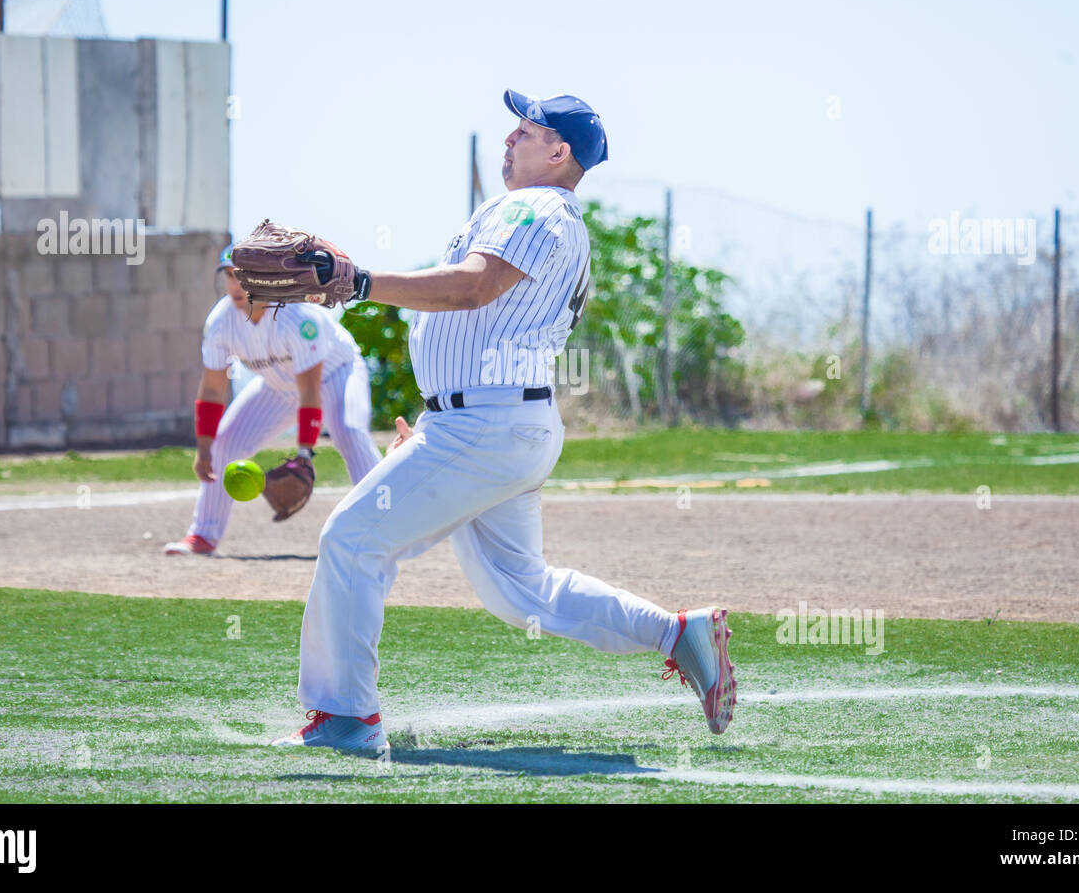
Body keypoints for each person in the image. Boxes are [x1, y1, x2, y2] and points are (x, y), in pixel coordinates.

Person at [271, 90, 736, 750]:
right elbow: (479, 302)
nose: (511, 138)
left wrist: (361, 280)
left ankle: (347, 718)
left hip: (485, 426)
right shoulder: (548, 214)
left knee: (353, 539)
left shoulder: (536, 205)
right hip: (489, 423)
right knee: (523, 590)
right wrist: (439, 421)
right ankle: (676, 633)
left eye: (527, 130)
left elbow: (470, 287)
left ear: (559, 152)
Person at [164, 248, 382, 556]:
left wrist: (304, 454)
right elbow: (213, 390)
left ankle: (387, 526)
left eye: (241, 274)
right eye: (228, 275)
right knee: (225, 443)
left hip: (335, 374)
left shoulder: (298, 316)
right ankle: (203, 536)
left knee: (349, 432)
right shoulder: (221, 322)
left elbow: (310, 392)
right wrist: (203, 449)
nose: (235, 283)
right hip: (278, 385)